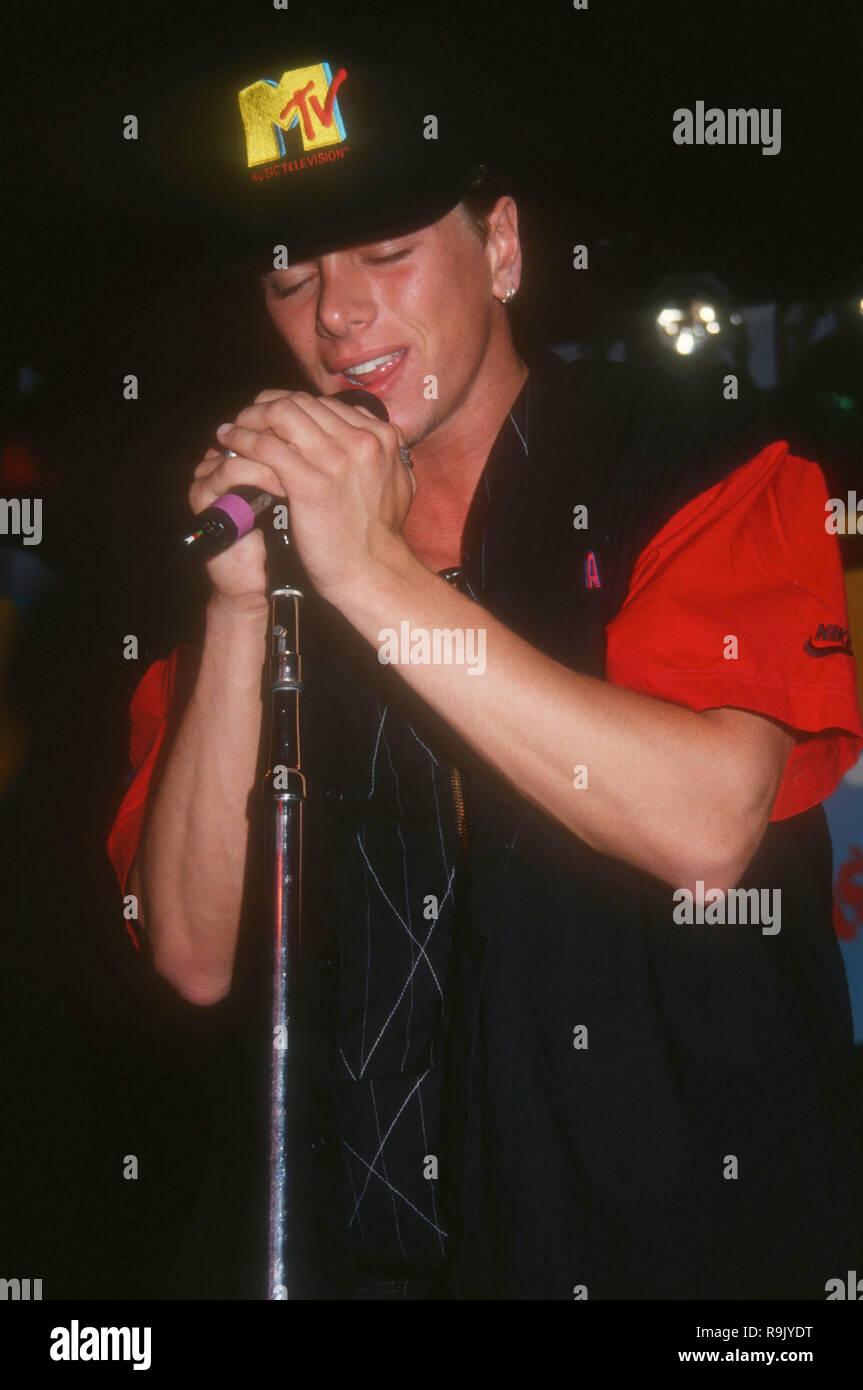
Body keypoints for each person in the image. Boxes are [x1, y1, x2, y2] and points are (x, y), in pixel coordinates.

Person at [107, 51, 863, 1299]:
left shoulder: (700, 464)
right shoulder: (270, 556)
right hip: (375, 1255)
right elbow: (188, 951)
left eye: (384, 253)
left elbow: (707, 821)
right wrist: (243, 612)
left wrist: (368, 578)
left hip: (673, 1249)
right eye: (292, 275)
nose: (336, 313)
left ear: (500, 249)